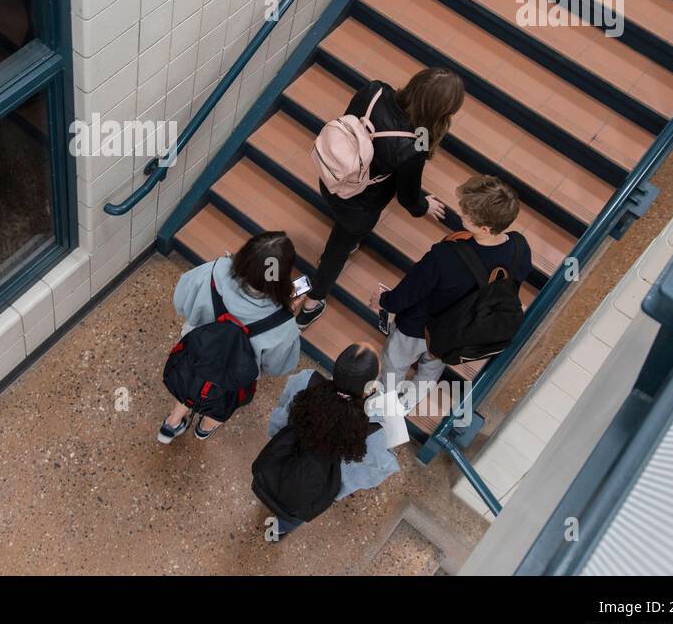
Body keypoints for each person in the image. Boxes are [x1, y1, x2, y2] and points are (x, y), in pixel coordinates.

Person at [298, 68, 465, 329]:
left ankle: (345, 248)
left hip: (329, 176)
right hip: (359, 206)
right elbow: (408, 199)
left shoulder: (374, 89)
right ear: (443, 112)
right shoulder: (413, 147)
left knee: (344, 231)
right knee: (336, 251)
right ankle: (312, 302)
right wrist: (425, 205)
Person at [372, 174, 531, 387]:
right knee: (430, 370)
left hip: (417, 326)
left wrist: (383, 301)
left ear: (485, 229)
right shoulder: (520, 247)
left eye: (466, 214)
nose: (459, 212)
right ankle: (410, 401)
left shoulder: (445, 256)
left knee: (394, 366)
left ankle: (385, 406)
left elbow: (409, 293)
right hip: (457, 332)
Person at [162, 231, 302, 442]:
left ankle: (171, 424)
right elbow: (278, 367)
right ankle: (203, 431)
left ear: (246, 254)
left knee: (190, 386)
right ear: (282, 277)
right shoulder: (283, 323)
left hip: (194, 356)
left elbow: (181, 301)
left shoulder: (214, 272)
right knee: (221, 404)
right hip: (232, 376)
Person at [256, 342, 399, 539]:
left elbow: (281, 416)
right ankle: (278, 530)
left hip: (277, 465)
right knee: (292, 514)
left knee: (273, 491)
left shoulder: (305, 381)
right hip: (312, 490)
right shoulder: (373, 433)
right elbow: (368, 473)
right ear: (371, 386)